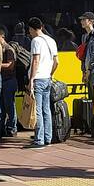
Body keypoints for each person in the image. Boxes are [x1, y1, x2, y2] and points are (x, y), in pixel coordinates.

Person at [26, 17, 59, 148]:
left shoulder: (36, 41)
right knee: (46, 109)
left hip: (38, 78)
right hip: (47, 78)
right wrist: (50, 74)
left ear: (33, 29)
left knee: (37, 110)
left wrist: (31, 80)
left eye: (29, 30)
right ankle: (48, 137)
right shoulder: (51, 40)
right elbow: (56, 62)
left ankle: (39, 140)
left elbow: (35, 61)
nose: (29, 32)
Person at [0, 26, 20, 136]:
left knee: (9, 105)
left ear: (2, 36)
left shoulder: (8, 49)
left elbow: (10, 65)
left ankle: (12, 128)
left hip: (9, 81)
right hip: (1, 80)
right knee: (1, 106)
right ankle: (3, 127)